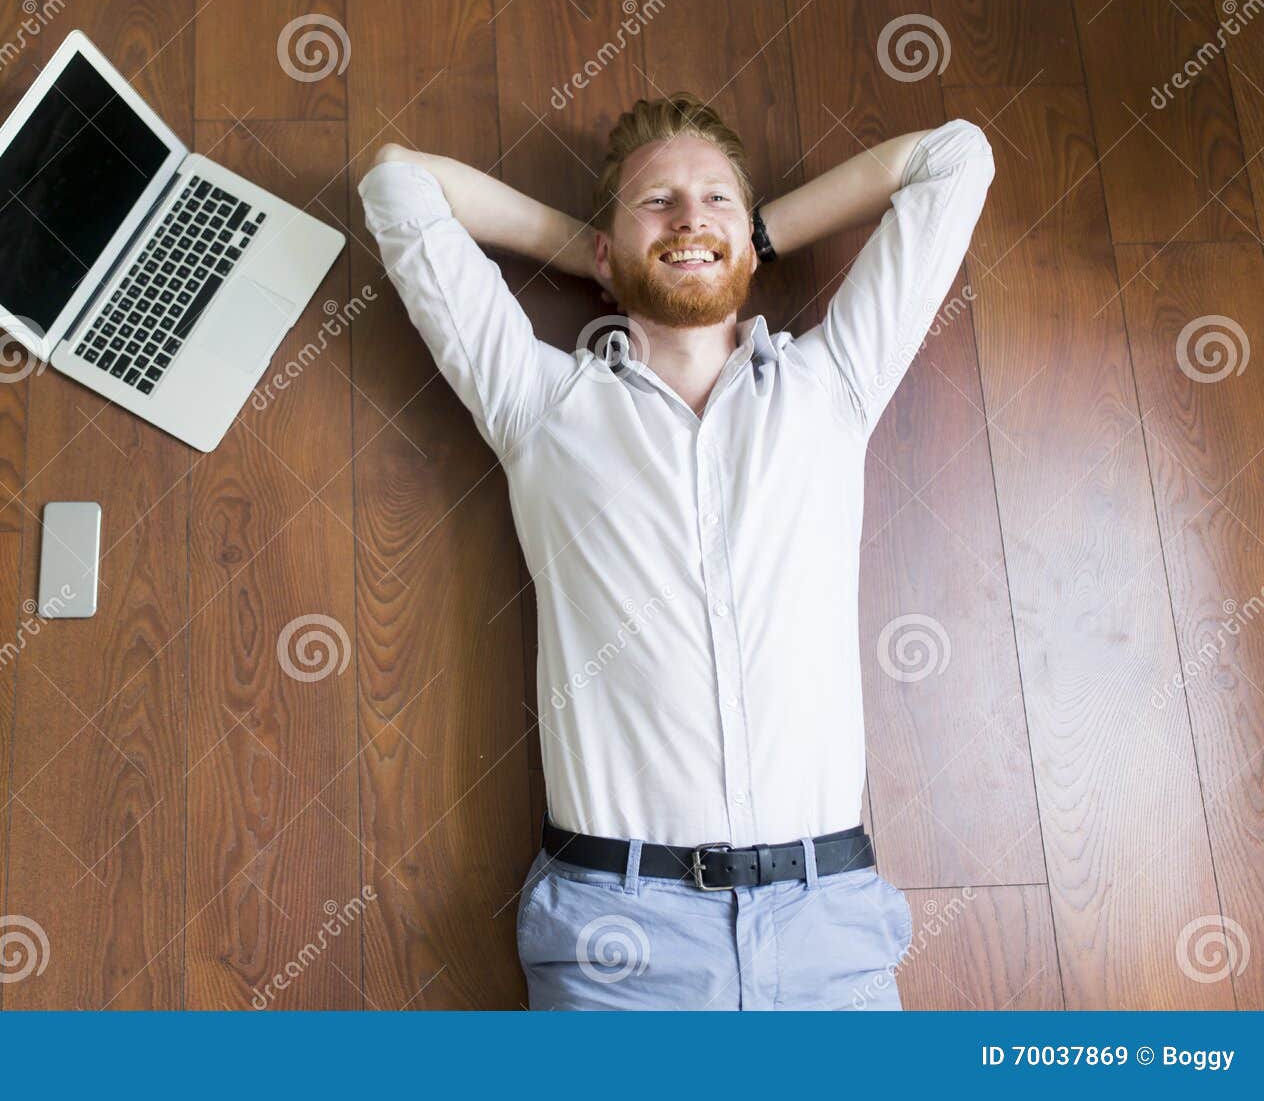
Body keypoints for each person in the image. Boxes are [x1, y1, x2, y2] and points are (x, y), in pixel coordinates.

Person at [357, 92, 994, 1010]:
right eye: (658, 202)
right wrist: (600, 252)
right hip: (623, 941)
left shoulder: (833, 385)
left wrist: (746, 235)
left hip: (831, 933)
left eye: (717, 201)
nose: (691, 216)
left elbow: (955, 157)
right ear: (608, 246)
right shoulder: (540, 404)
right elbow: (399, 184)